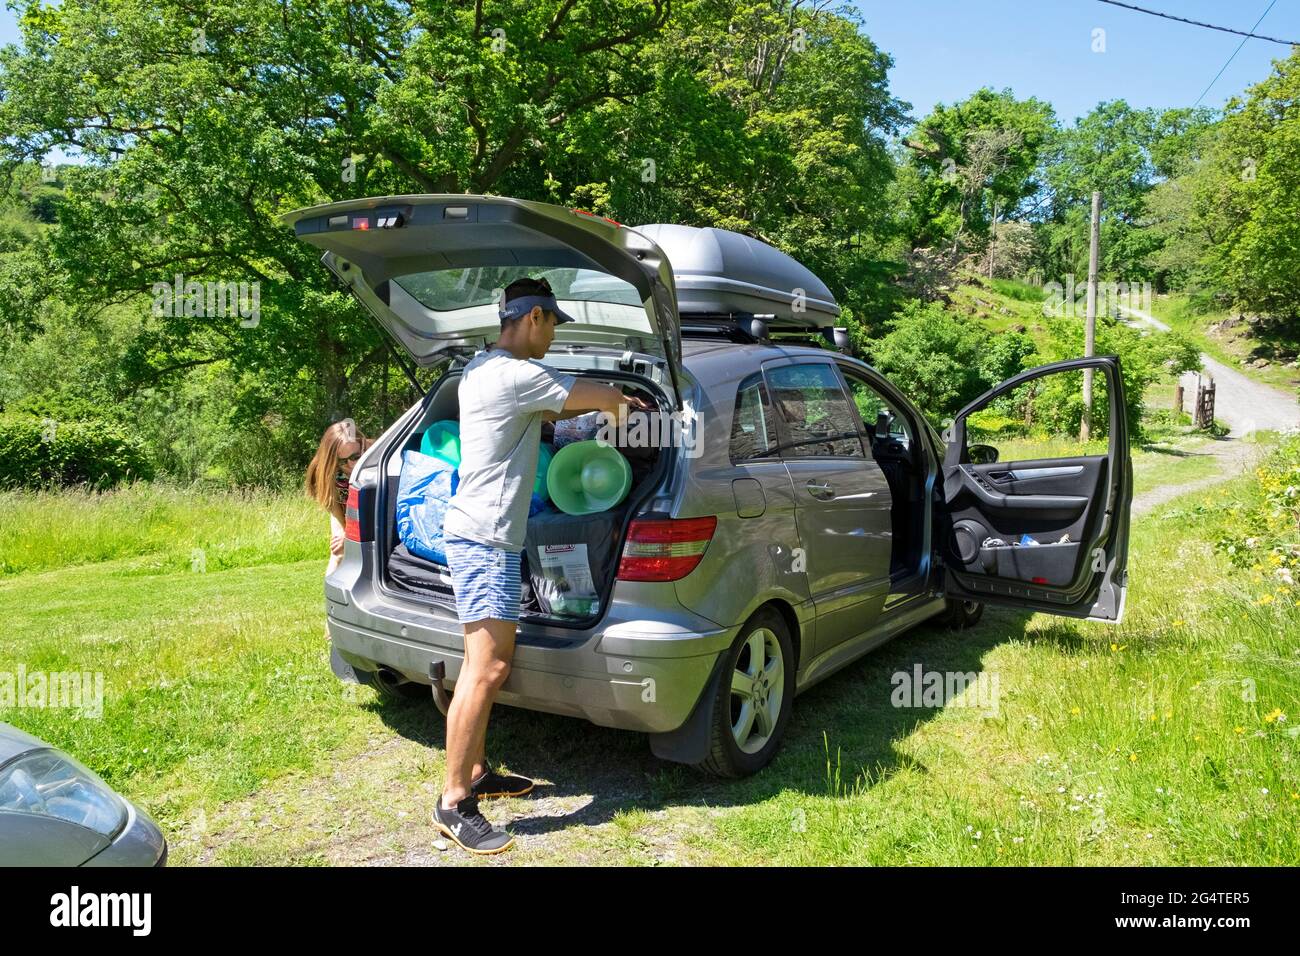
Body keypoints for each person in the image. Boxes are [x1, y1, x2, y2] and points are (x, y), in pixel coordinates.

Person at [431, 276, 650, 854]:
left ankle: (476, 772)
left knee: (486, 661)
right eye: (553, 326)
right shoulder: (516, 373)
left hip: (482, 536)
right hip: (484, 540)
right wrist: (626, 404)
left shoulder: (483, 369)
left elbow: (541, 421)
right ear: (534, 318)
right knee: (489, 668)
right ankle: (454, 800)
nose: (553, 337)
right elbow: (598, 397)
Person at [304, 418, 371, 581]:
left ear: (363, 445)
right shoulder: (323, 472)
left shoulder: (379, 454)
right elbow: (332, 504)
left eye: (355, 456)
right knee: (338, 552)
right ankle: (332, 601)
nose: (350, 464)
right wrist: (345, 534)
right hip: (343, 505)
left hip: (370, 507)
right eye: (342, 461)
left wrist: (350, 535)